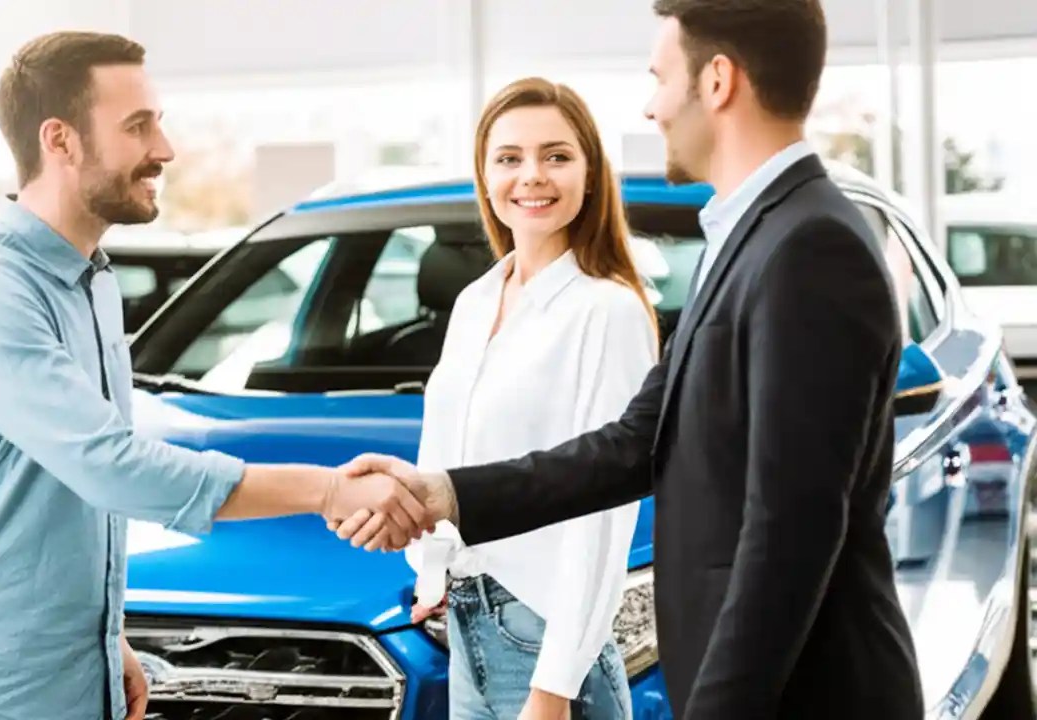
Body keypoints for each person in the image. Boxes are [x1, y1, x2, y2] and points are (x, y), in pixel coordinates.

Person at [335, 1, 925, 718]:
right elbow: (634, 443)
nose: (651, 108)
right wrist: (444, 495)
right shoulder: (751, 239)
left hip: (805, 694)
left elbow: (789, 535)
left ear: (717, 82)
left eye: (658, 77)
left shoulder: (809, 247)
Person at [0, 32, 426, 720]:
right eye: (138, 125)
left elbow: (66, 496)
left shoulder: (91, 282)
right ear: (61, 140)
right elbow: (111, 467)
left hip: (71, 684)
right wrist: (325, 491)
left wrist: (103, 639)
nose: (164, 149)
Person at [404, 77, 657, 720]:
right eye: (509, 158)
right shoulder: (474, 302)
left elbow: (604, 513)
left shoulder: (609, 311)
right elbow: (446, 454)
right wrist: (434, 568)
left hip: (545, 642)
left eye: (557, 156)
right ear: (485, 177)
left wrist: (555, 685)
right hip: (466, 625)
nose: (532, 177)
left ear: (591, 174)